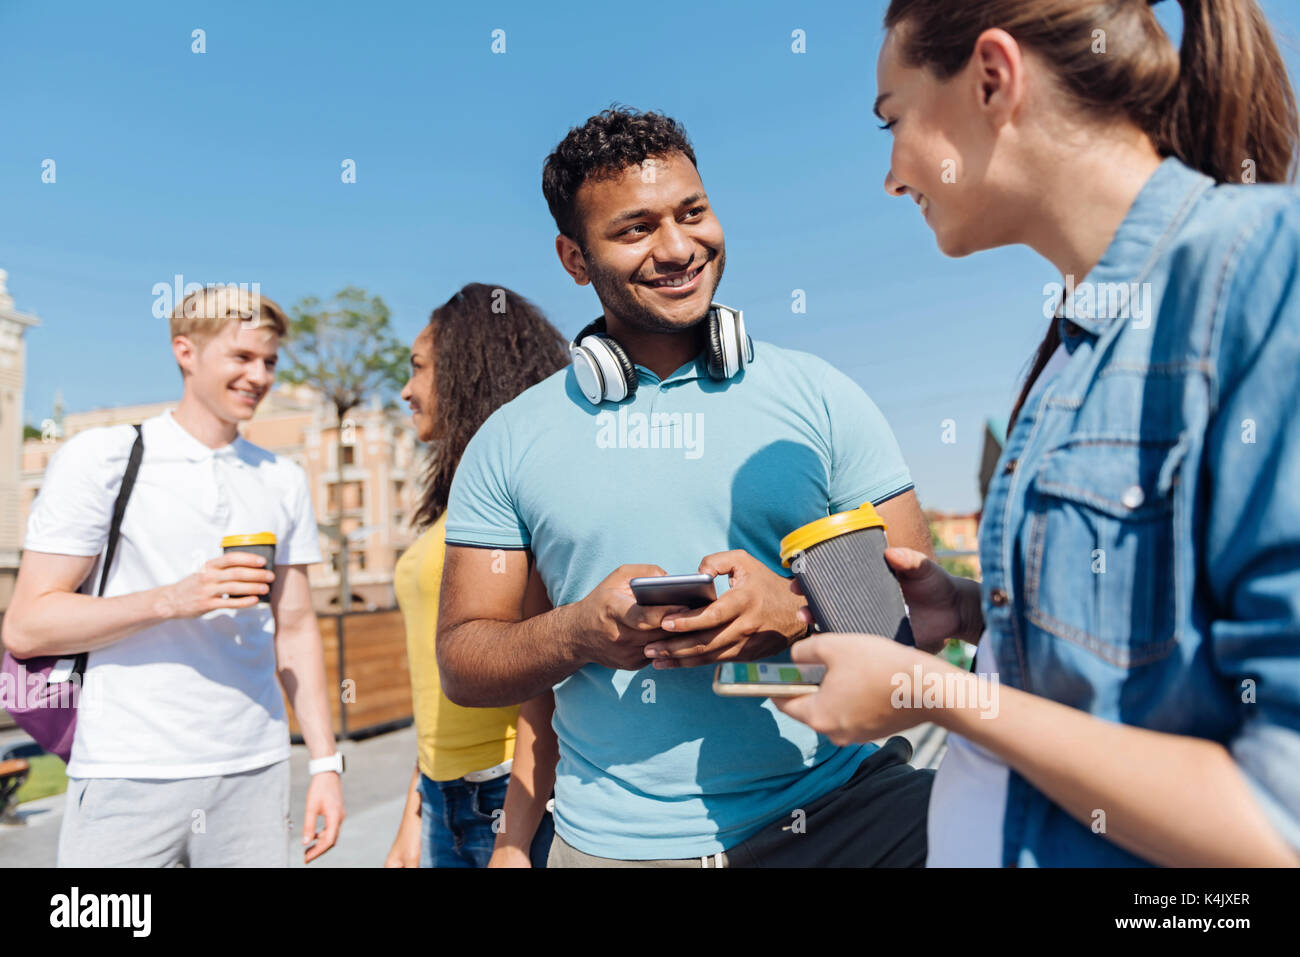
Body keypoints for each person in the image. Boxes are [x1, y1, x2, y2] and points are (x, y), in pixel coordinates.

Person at [776, 0, 1300, 867]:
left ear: (992, 78)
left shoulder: (1260, 274)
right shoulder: (1071, 342)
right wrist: (984, 617)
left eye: (892, 120)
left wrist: (933, 692)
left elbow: (1278, 817)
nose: (891, 176)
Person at [438, 107, 937, 868]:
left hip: (844, 812)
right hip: (612, 848)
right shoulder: (509, 439)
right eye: (636, 229)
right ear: (575, 259)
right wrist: (579, 632)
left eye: (693, 212)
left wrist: (794, 617)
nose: (679, 248)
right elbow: (464, 659)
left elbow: (919, 626)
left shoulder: (823, 397)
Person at [3, 284, 345, 866]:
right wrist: (171, 600)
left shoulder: (280, 478)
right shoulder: (104, 458)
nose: (259, 376)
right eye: (241, 357)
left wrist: (324, 764)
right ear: (185, 352)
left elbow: (296, 627)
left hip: (254, 772)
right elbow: (27, 627)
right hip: (124, 773)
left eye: (269, 361)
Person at [383, 284, 565, 868]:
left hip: (509, 793)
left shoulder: (522, 488)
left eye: (418, 369)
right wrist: (415, 813)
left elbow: (545, 685)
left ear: (466, 370)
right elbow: (440, 675)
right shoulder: (454, 499)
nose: (406, 391)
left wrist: (512, 841)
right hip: (442, 794)